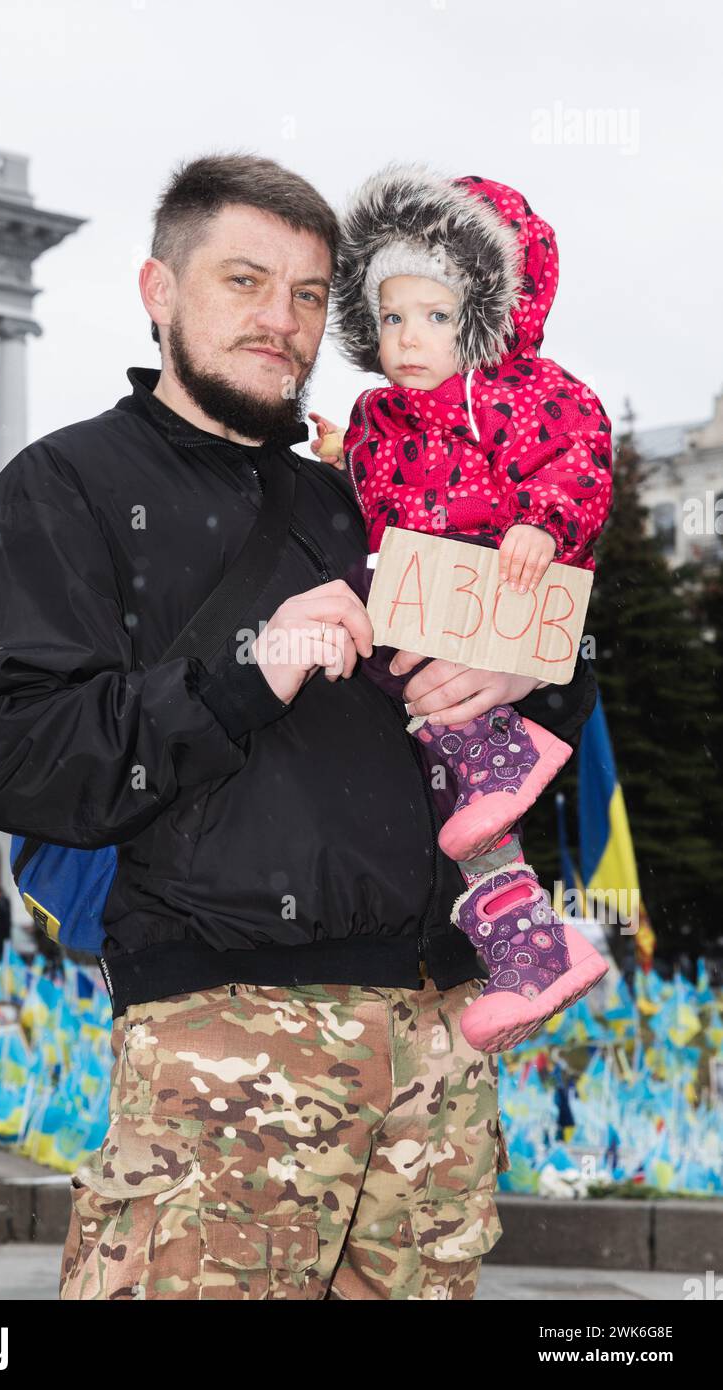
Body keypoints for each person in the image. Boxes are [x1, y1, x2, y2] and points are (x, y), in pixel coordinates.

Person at [0, 153, 599, 1301]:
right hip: (225, 1044)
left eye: (306, 294)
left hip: (436, 1043)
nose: (279, 320)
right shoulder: (67, 490)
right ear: (158, 289)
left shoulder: (372, 485)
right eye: (244, 281)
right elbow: (11, 753)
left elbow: (556, 683)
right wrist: (248, 670)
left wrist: (524, 663)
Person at [312, 166, 611, 1052]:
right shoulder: (378, 414)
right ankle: (530, 949)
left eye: (437, 317)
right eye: (393, 316)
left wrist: (544, 527)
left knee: (452, 712)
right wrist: (341, 462)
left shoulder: (525, 395)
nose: (409, 339)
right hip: (416, 601)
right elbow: (377, 491)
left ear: (487, 316)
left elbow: (580, 459)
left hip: (493, 583)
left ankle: (510, 749)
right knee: (460, 807)